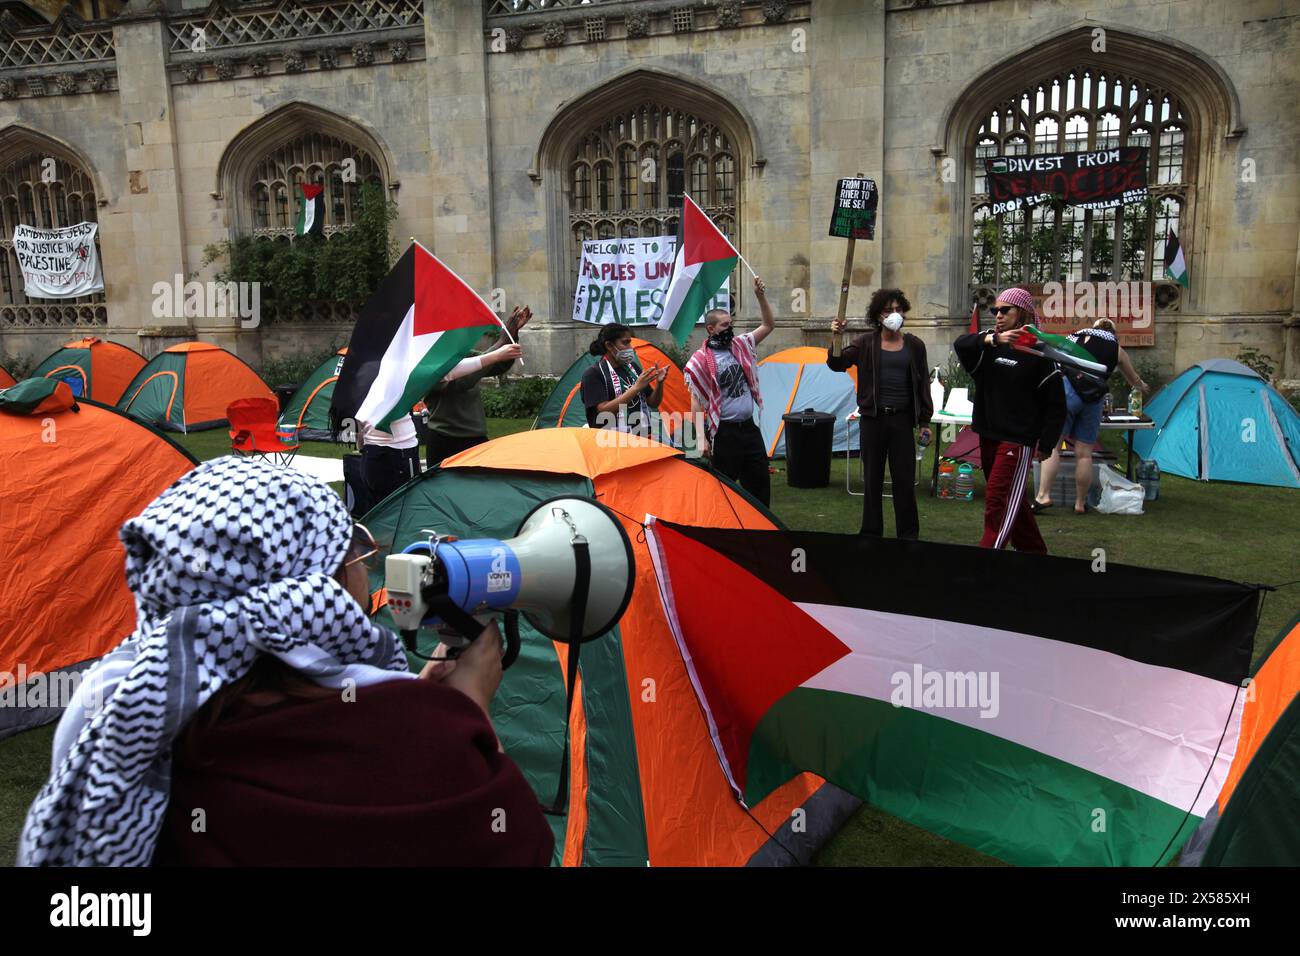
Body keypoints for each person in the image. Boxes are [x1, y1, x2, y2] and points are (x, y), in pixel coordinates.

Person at [18, 456, 553, 866]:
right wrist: (468, 712)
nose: (366, 574)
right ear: (320, 586)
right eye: (356, 553)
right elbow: (519, 845)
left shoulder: (109, 706)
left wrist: (414, 701)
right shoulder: (423, 733)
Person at [952, 287, 1066, 553]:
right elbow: (961, 344)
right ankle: (1034, 553)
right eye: (995, 310)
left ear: (1022, 313)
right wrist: (994, 340)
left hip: (1017, 440)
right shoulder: (989, 346)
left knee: (998, 500)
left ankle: (988, 559)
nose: (998, 315)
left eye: (1005, 310)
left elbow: (1056, 405)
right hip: (988, 434)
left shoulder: (1041, 355)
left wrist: (1047, 444)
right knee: (1014, 502)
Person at [360, 340, 522, 504]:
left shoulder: (384, 367)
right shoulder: (413, 366)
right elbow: (455, 376)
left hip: (403, 449)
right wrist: (497, 350)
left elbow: (486, 365)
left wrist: (507, 339)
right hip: (428, 443)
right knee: (415, 502)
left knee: (476, 496)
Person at [828, 288, 933, 539]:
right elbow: (836, 363)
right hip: (873, 421)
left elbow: (922, 385)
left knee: (904, 482)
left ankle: (908, 536)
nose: (894, 314)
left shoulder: (915, 346)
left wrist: (925, 421)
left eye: (898, 310)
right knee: (872, 480)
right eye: (888, 310)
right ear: (878, 316)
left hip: (902, 420)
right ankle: (871, 533)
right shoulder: (865, 343)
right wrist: (835, 337)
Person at [1032, 318, 1151, 515]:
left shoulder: (1075, 338)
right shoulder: (1116, 349)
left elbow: (1054, 360)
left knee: (1054, 446)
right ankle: (1080, 503)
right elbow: (1133, 378)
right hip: (1094, 399)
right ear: (1113, 332)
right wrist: (1142, 386)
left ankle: (1043, 496)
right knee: (1085, 454)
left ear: (1094, 328)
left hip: (1068, 393)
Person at [685, 276, 775, 506]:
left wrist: (760, 296)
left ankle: (763, 533)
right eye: (724, 325)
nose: (729, 328)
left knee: (760, 486)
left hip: (749, 429)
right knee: (724, 491)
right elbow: (695, 402)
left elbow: (768, 325)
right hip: (725, 433)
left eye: (730, 324)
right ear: (710, 329)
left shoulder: (741, 344)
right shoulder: (700, 360)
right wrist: (701, 438)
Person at [424, 306, 531, 468]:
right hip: (445, 440)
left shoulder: (462, 354)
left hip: (475, 438)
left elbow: (497, 365)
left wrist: (512, 333)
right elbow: (463, 380)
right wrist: (500, 343)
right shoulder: (430, 364)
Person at [580, 322, 667, 434]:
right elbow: (603, 412)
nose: (630, 348)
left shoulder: (633, 368)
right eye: (625, 343)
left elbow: (653, 403)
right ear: (609, 346)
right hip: (610, 442)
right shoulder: (593, 374)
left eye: (630, 343)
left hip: (640, 438)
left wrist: (660, 384)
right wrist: (635, 388)